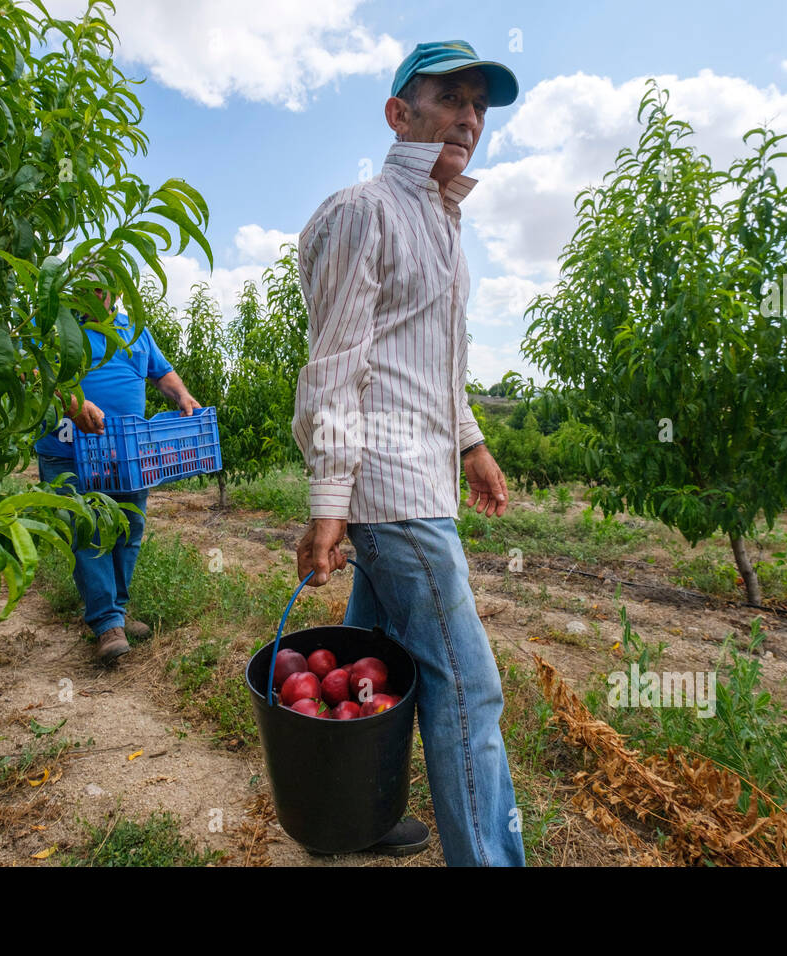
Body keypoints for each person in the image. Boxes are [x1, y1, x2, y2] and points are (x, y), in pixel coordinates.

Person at [291, 40, 525, 865]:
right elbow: (336, 365)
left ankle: (354, 814)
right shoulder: (365, 212)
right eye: (452, 98)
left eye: (481, 106)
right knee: (470, 691)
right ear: (400, 114)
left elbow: (434, 362)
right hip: (394, 493)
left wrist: (473, 443)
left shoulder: (444, 223)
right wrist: (329, 501)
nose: (470, 117)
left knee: (373, 669)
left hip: (427, 475)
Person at [36, 286, 201, 666]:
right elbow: (31, 369)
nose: (99, 298)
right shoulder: (56, 328)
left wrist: (182, 396)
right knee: (88, 530)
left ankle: (116, 610)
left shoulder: (135, 330)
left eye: (106, 290)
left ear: (116, 292)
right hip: (68, 453)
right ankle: (107, 622)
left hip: (124, 453)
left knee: (128, 529)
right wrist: (72, 401)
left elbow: (161, 372)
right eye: (90, 290)